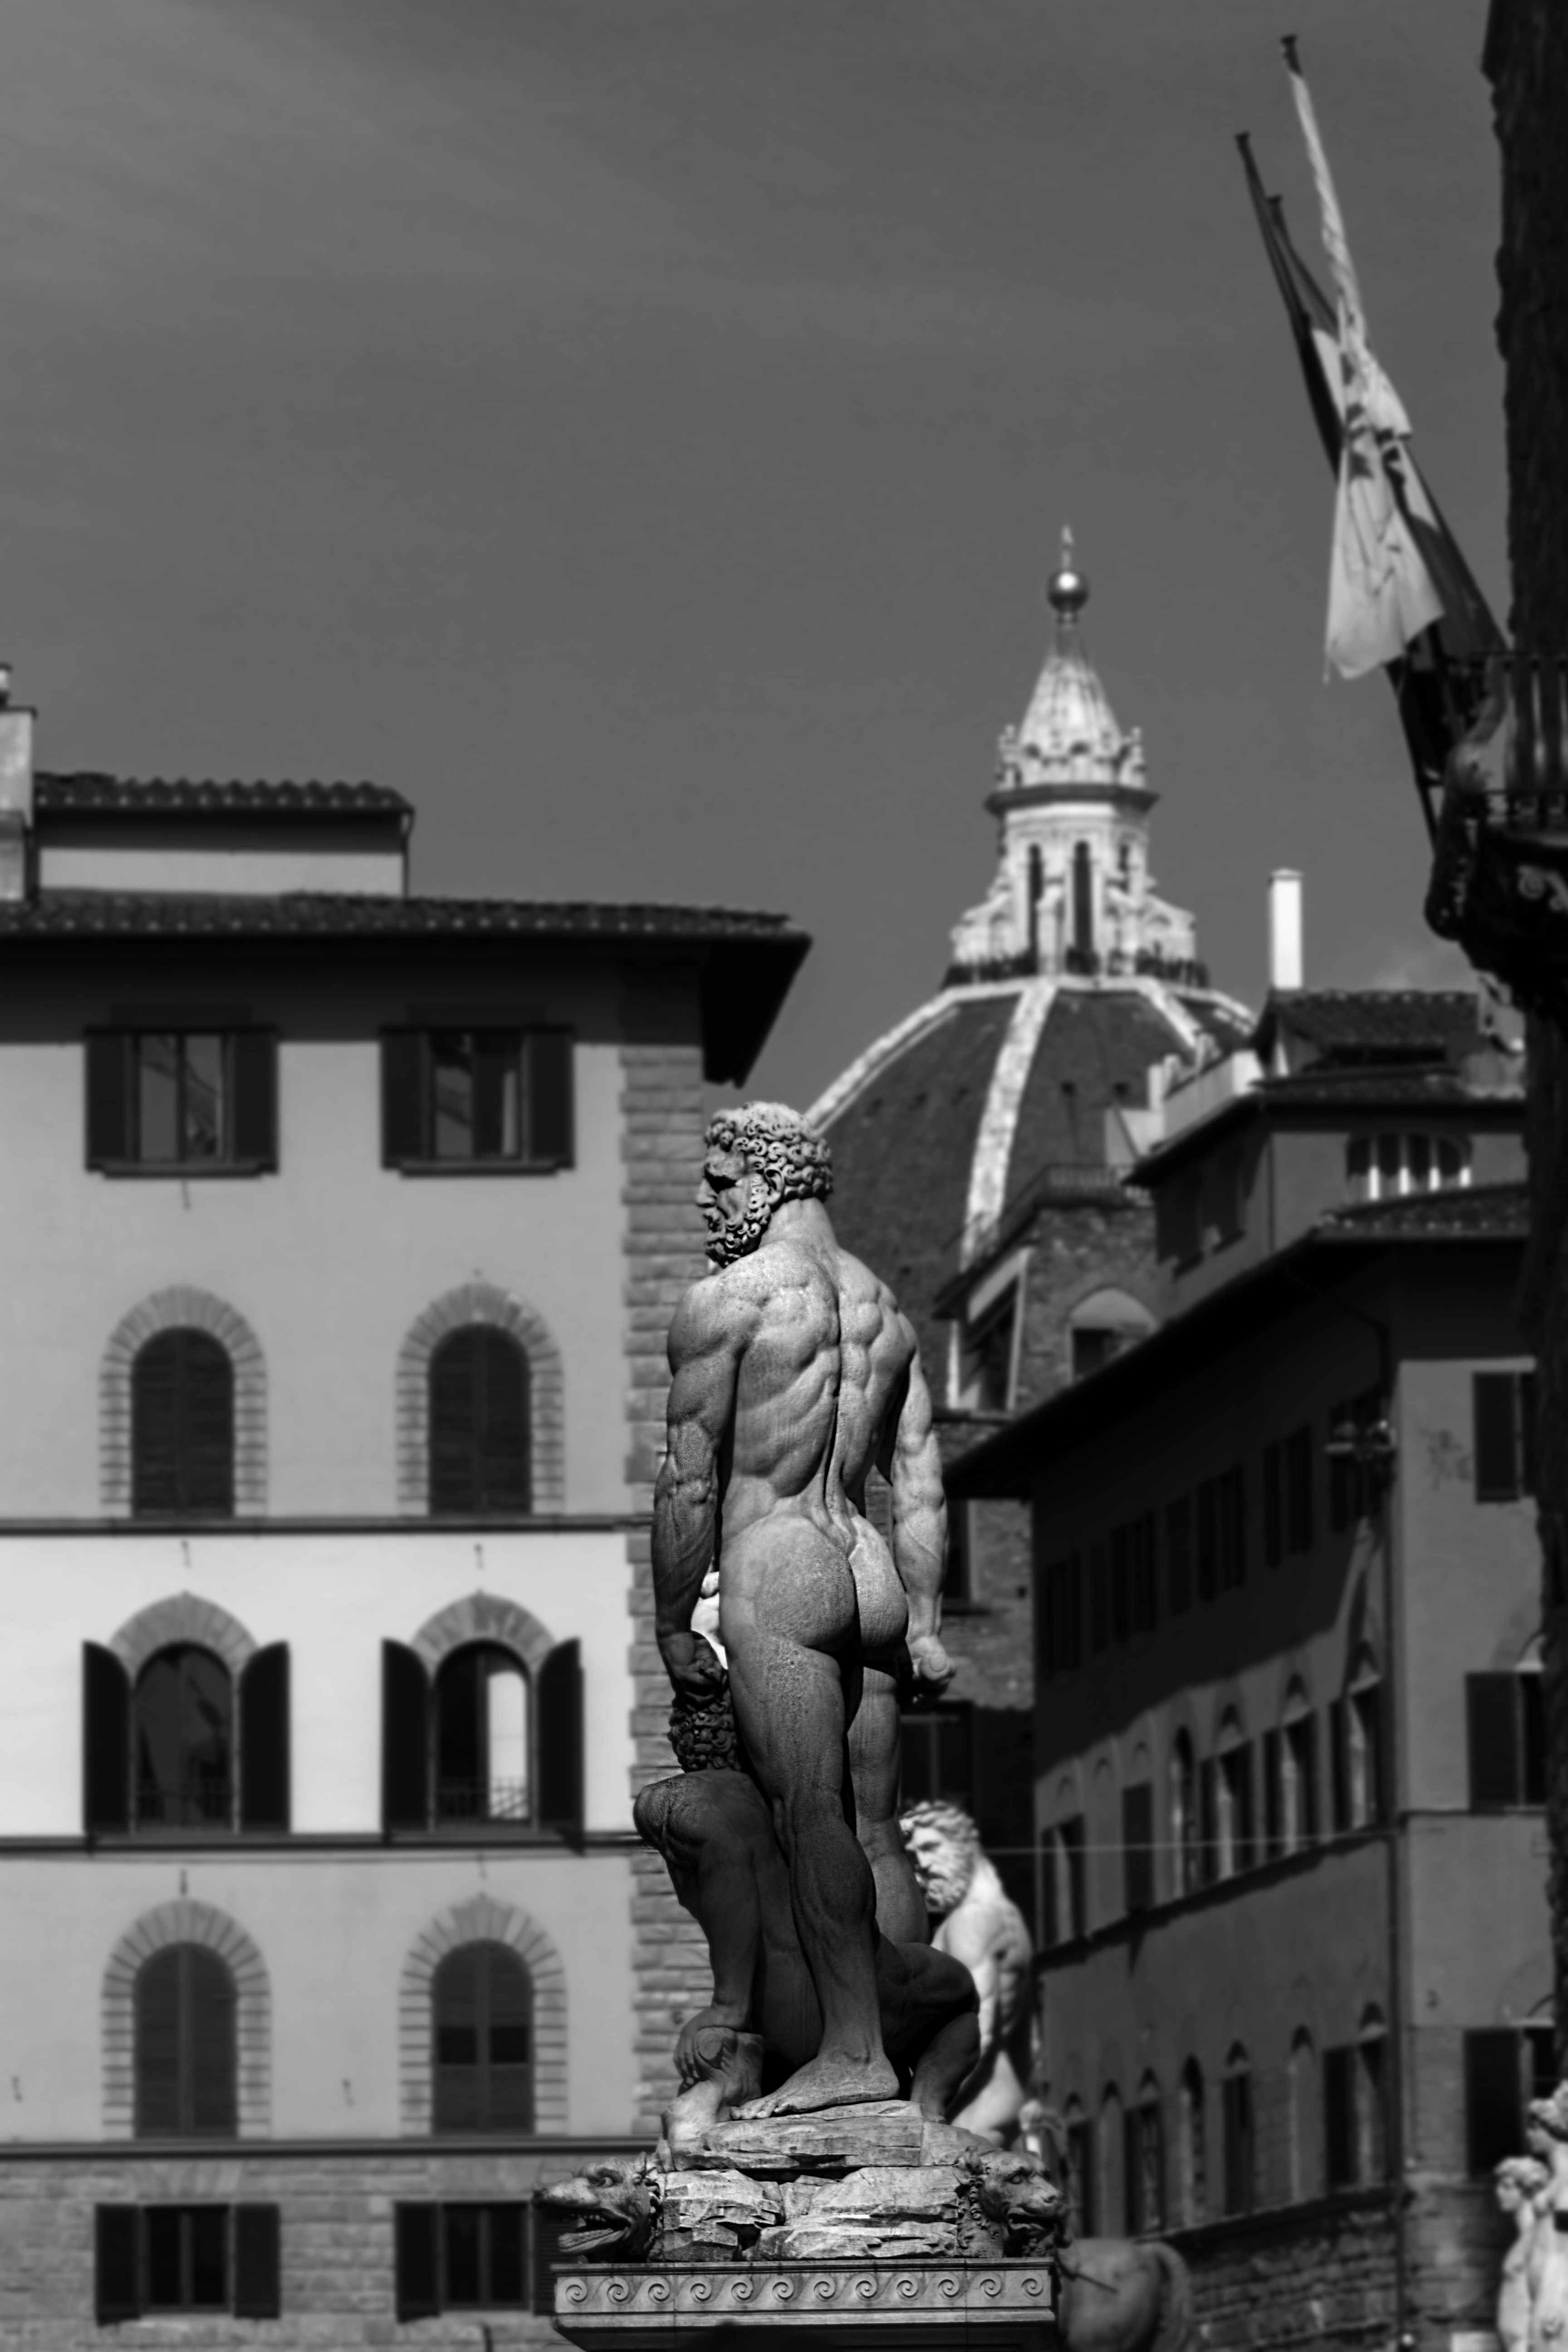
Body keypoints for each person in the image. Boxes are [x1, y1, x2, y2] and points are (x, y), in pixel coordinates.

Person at [652, 1101, 953, 2116]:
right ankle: (896, 2030)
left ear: (772, 1178)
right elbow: (919, 1483)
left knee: (806, 1813)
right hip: (865, 1563)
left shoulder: (731, 1301)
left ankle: (852, 2053)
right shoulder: (886, 1310)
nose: (707, 1195)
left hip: (779, 1561)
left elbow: (688, 1482)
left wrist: (666, 1622)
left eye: (723, 1177)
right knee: (876, 1828)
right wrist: (924, 1619)